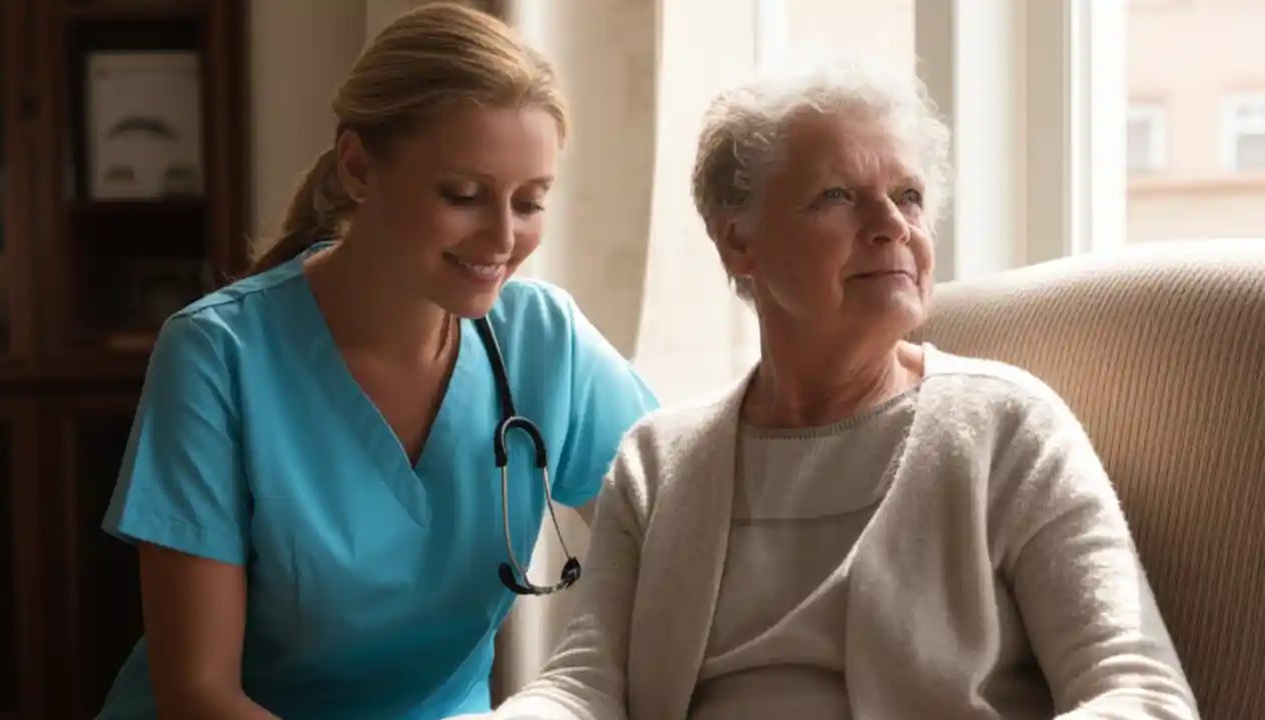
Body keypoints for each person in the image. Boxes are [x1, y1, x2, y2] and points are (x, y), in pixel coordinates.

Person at [487, 51, 1200, 719]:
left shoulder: (1010, 427)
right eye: (839, 196)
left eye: (909, 196)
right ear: (739, 240)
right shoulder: (656, 460)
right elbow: (583, 684)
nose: (893, 225)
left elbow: (1138, 691)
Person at [95, 4, 657, 719]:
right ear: (358, 165)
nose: (502, 237)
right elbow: (197, 693)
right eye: (463, 195)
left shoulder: (546, 340)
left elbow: (681, 530)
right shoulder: (217, 356)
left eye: (530, 202)